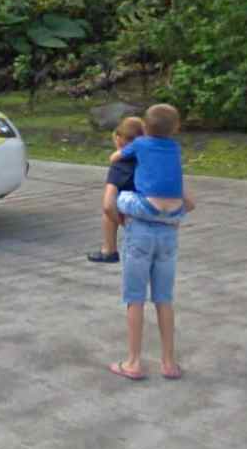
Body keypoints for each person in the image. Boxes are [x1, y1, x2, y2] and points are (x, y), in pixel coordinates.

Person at [106, 103, 195, 381]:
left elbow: (110, 198)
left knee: (135, 298)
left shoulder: (140, 145)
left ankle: (133, 362)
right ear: (176, 128)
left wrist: (124, 221)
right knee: (164, 298)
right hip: (169, 230)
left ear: (145, 127)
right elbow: (188, 201)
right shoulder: (175, 149)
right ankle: (168, 362)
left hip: (141, 227)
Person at [83, 116, 145, 264]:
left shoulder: (120, 165)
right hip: (155, 207)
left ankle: (109, 250)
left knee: (109, 211)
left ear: (118, 139)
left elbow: (108, 205)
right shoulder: (150, 160)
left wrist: (124, 224)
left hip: (134, 212)